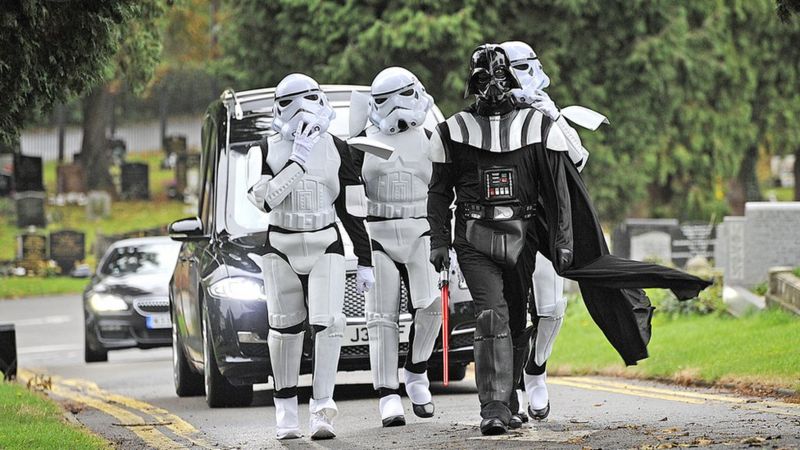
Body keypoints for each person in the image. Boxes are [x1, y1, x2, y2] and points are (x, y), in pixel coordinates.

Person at [428, 44, 711, 436]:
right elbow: (439, 191)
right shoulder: (452, 130)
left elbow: (560, 191)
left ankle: (509, 399)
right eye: (484, 80)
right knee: (491, 313)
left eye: (499, 79)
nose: (492, 88)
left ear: (511, 81)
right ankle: (492, 407)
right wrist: (439, 240)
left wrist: (563, 239)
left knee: (515, 315)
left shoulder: (538, 125)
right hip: (474, 236)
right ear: (472, 84)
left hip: (523, 235)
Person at [247, 73, 375, 440]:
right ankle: (286, 414)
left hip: (325, 244)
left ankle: (322, 409)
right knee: (284, 331)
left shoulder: (337, 148)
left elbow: (352, 210)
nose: (303, 110)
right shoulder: (265, 149)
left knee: (329, 323)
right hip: (281, 246)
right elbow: (266, 199)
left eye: (310, 99)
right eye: (293, 101)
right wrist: (297, 161)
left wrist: (364, 258)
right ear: (279, 108)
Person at [500, 40, 604, 422]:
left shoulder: (546, 106)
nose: (532, 73)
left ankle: (536, 370)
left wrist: (555, 117)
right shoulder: (491, 110)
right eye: (522, 67)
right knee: (509, 309)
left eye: (533, 65)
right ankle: (506, 391)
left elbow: (578, 159)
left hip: (546, 221)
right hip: (506, 221)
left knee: (550, 307)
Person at [348, 67, 443, 427]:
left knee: (431, 306)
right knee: (381, 317)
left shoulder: (434, 135)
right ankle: (388, 393)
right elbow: (350, 196)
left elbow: (446, 190)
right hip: (379, 233)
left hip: (421, 230)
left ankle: (416, 371)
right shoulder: (361, 140)